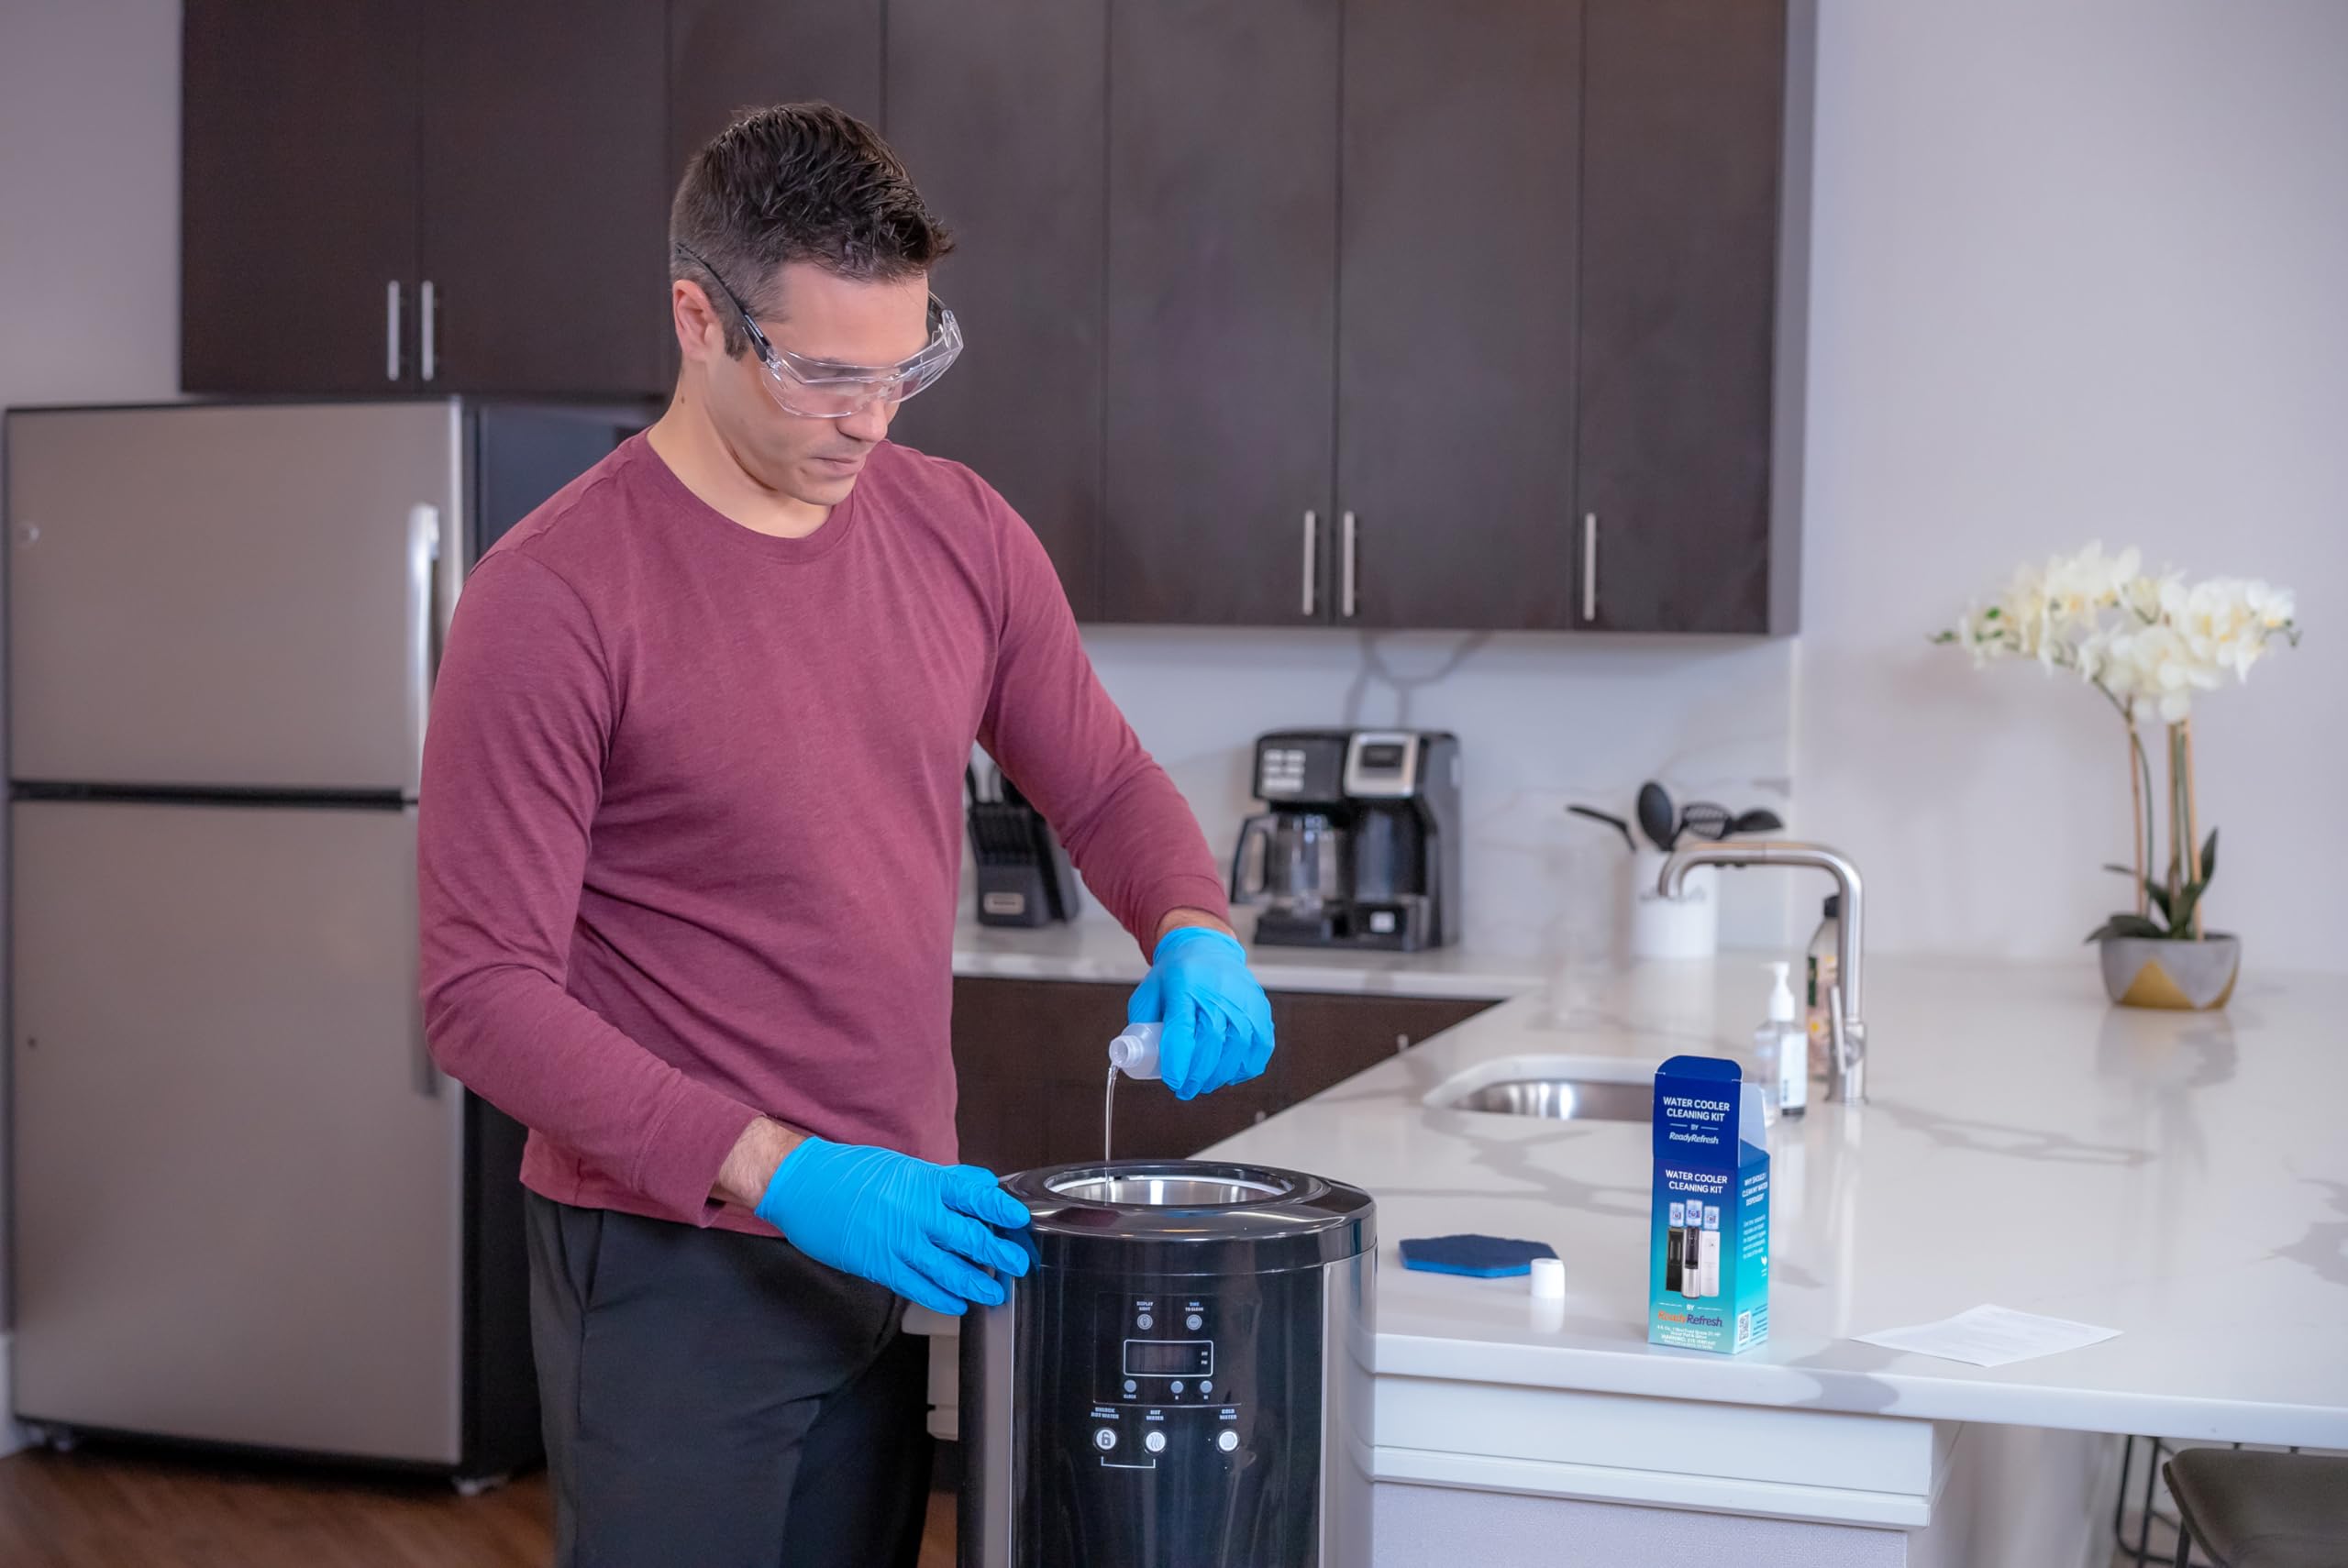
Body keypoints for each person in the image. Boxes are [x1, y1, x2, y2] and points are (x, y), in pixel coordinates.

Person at [416, 102, 1275, 1567]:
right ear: (701, 319)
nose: (871, 422)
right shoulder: (553, 593)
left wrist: (1190, 919)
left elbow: (1108, 782)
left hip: (894, 1242)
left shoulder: (960, 531)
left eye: (905, 369)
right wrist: (784, 1167)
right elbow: (477, 995)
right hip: (675, 1262)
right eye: (825, 376)